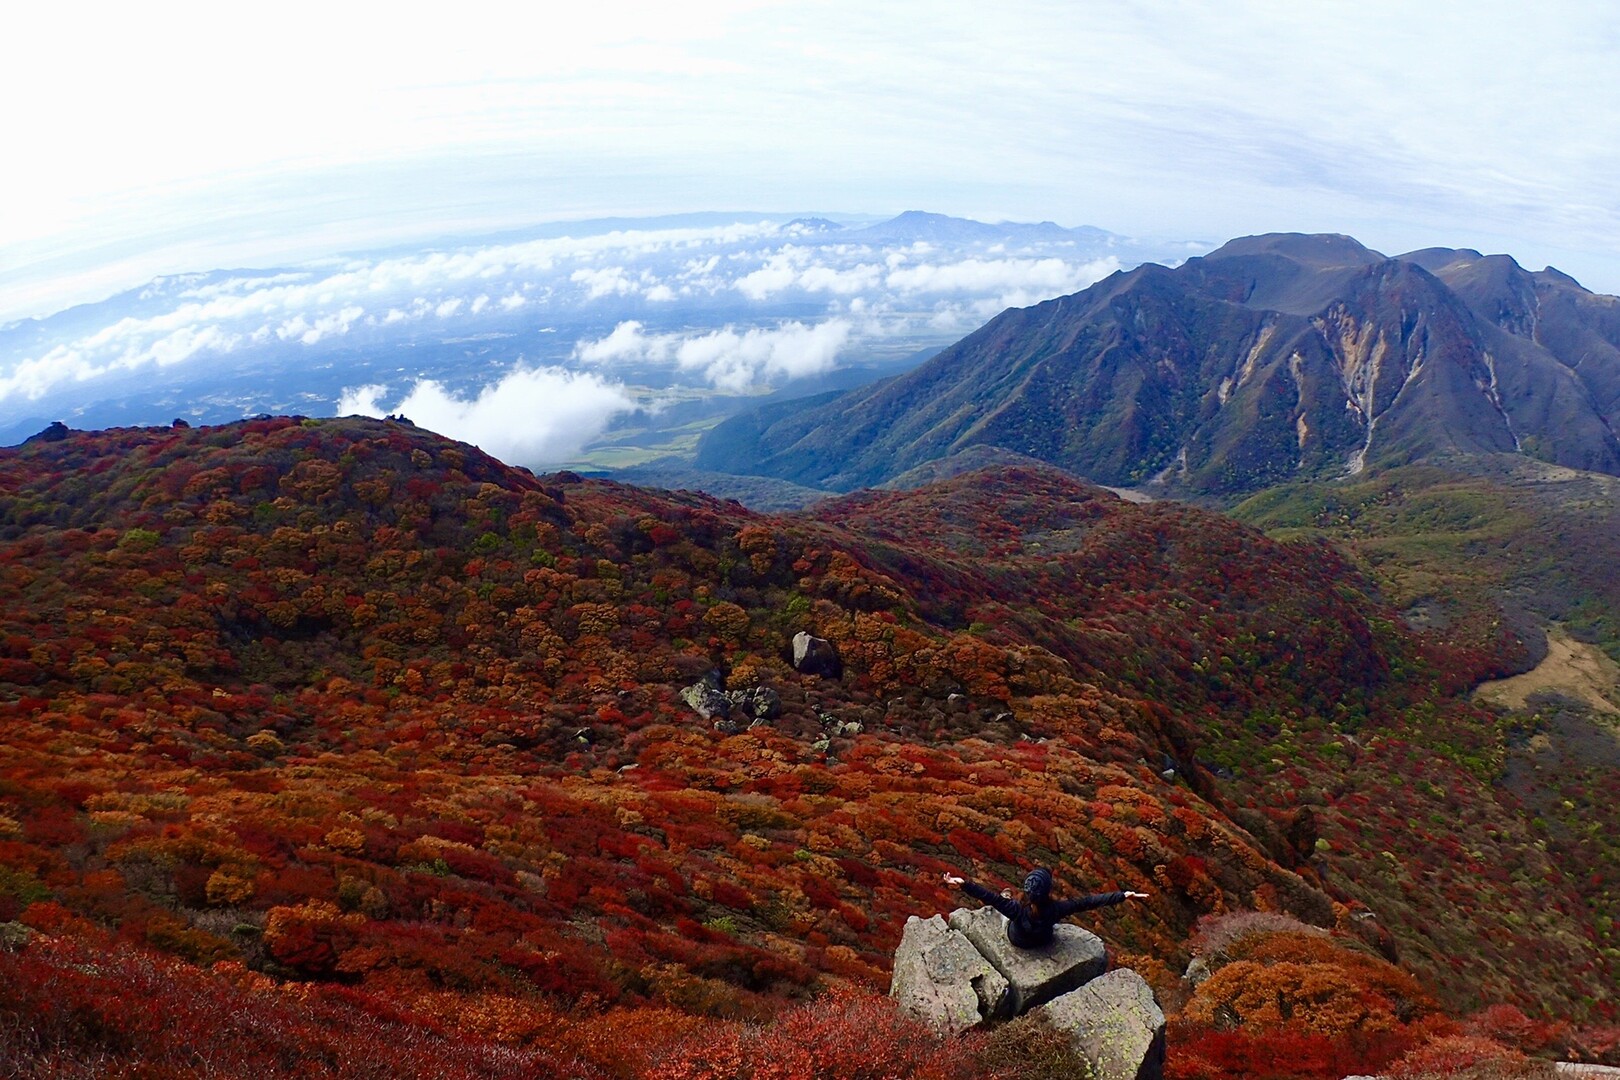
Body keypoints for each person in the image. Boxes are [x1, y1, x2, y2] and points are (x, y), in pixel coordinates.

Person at [942, 867, 1148, 948]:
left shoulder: (1016, 908)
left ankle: (1006, 897)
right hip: (1042, 941)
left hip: (1018, 940)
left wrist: (963, 883)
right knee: (1009, 908)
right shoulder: (1057, 909)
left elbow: (986, 895)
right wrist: (1123, 895)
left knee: (1001, 906)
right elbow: (1089, 902)